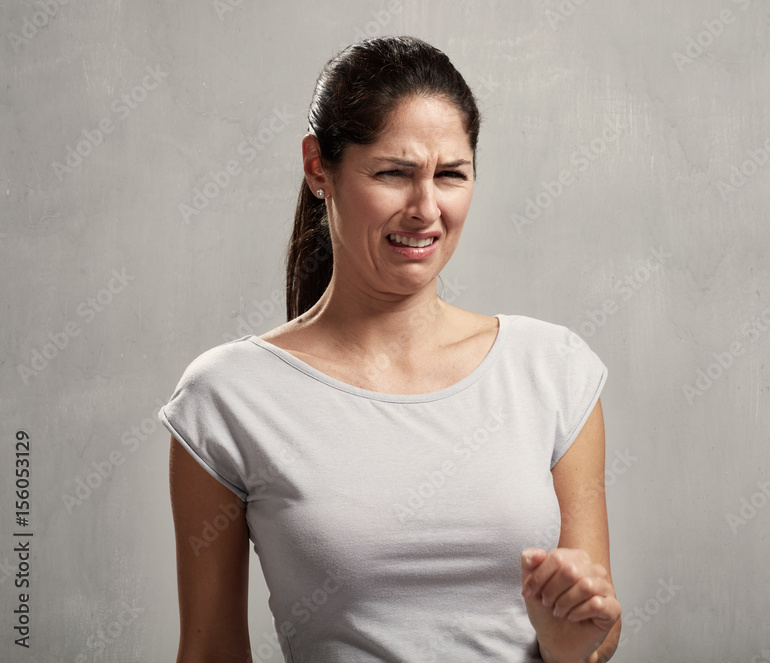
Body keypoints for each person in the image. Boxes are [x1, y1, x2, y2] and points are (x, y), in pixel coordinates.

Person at [160, 35, 621, 663]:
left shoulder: (553, 370)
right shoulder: (227, 397)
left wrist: (571, 640)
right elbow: (210, 651)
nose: (426, 209)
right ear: (318, 168)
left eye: (451, 174)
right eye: (393, 173)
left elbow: (595, 633)